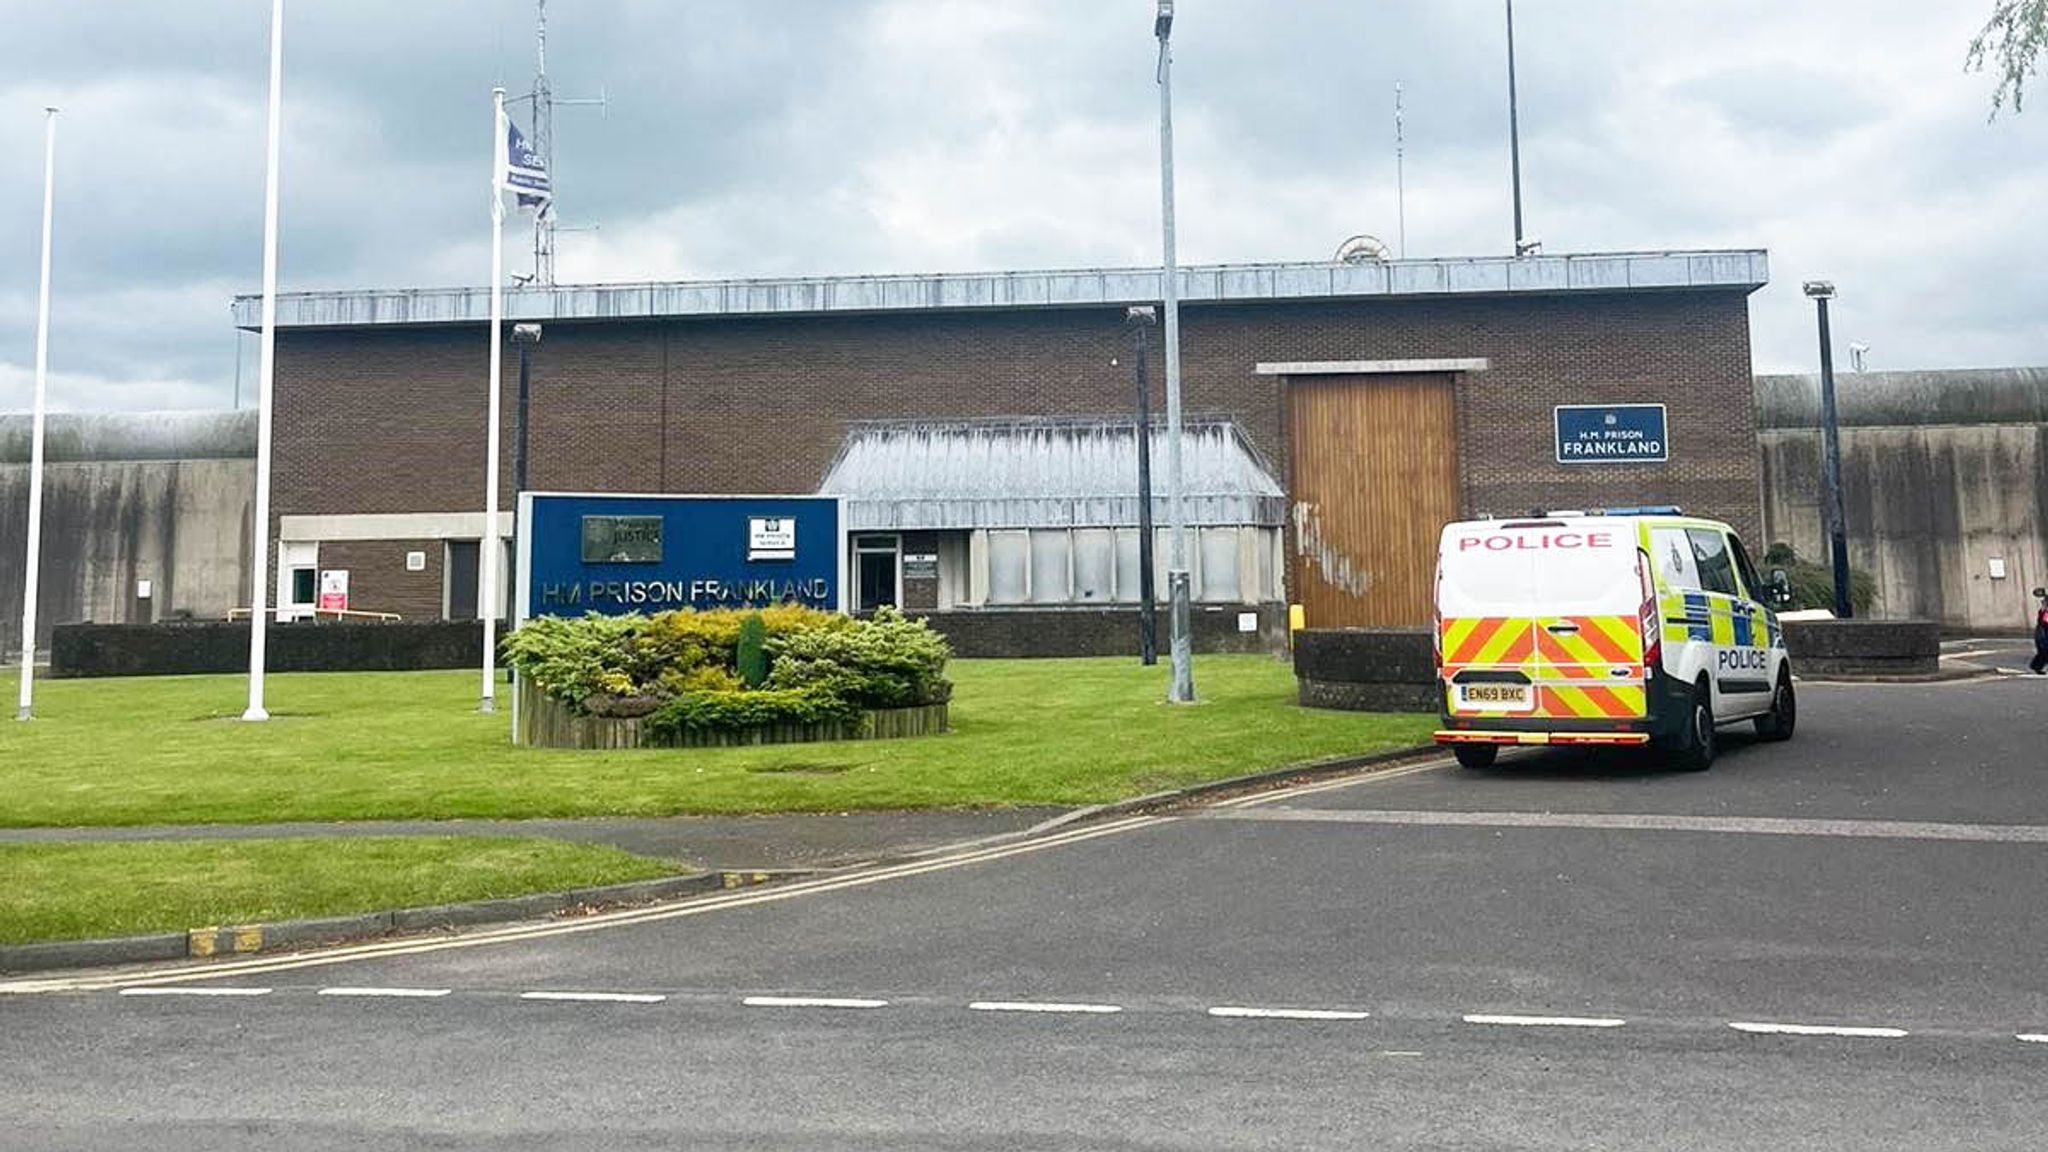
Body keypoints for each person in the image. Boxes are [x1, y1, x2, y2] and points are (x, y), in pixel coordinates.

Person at [2032, 587, 2048, 675]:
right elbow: (2044, 621)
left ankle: (2035, 666)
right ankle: (2036, 666)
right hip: (2043, 633)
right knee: (2044, 651)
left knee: (2043, 651)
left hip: (2042, 632)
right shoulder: (2045, 611)